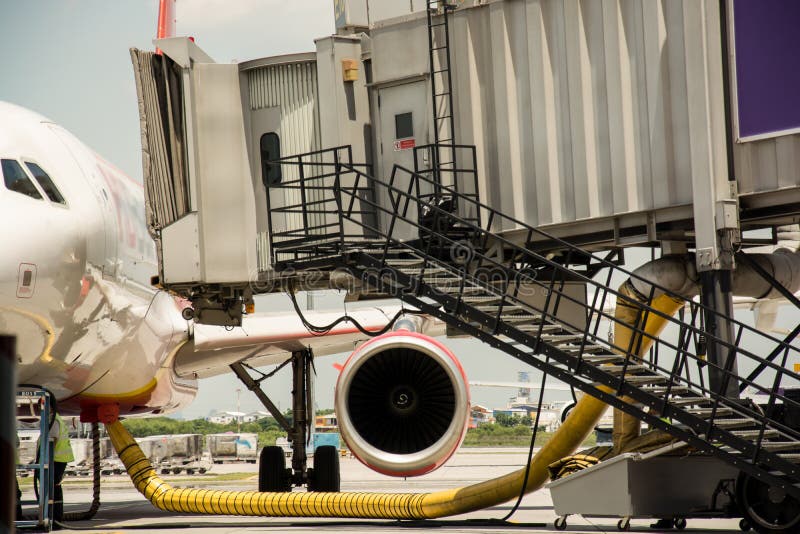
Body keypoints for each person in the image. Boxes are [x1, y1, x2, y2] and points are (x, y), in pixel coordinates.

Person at [36, 396, 74, 527]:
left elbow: (52, 440)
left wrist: (45, 458)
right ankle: (55, 517)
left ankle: (55, 518)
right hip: (55, 459)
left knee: (52, 488)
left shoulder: (53, 420)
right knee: (53, 488)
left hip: (55, 459)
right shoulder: (53, 418)